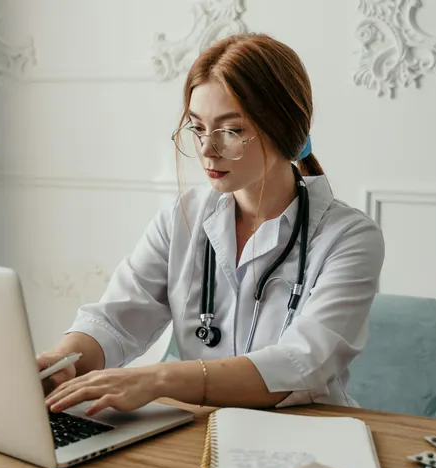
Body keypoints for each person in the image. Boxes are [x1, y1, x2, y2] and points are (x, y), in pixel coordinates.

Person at [39, 33, 385, 417]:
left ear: (285, 127)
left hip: (306, 436)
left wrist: (159, 379)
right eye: (198, 128)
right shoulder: (182, 219)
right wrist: (62, 361)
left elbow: (301, 364)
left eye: (231, 130)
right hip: (198, 433)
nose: (206, 149)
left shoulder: (349, 238)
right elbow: (115, 320)